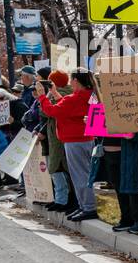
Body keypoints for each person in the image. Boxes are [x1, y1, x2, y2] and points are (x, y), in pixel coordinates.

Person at [39, 68, 97, 221]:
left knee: (80, 176)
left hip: (75, 141)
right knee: (83, 174)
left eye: (72, 80)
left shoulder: (75, 98)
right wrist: (56, 94)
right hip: (86, 139)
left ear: (76, 81)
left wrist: (41, 96)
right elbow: (67, 107)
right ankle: (84, 205)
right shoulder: (91, 96)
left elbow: (52, 111)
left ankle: (88, 207)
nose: (70, 82)